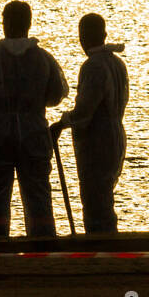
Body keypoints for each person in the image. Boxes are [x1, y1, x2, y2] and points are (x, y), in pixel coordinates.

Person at [0, 1, 67, 237]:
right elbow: (56, 95)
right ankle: (42, 242)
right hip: (34, 135)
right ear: (28, 23)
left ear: (5, 23)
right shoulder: (44, 59)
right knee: (38, 191)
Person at [50, 14, 129, 234]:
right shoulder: (116, 63)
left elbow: (85, 110)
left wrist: (60, 124)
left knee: (95, 197)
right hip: (115, 135)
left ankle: (99, 242)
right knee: (104, 194)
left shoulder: (93, 66)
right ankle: (106, 239)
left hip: (98, 139)